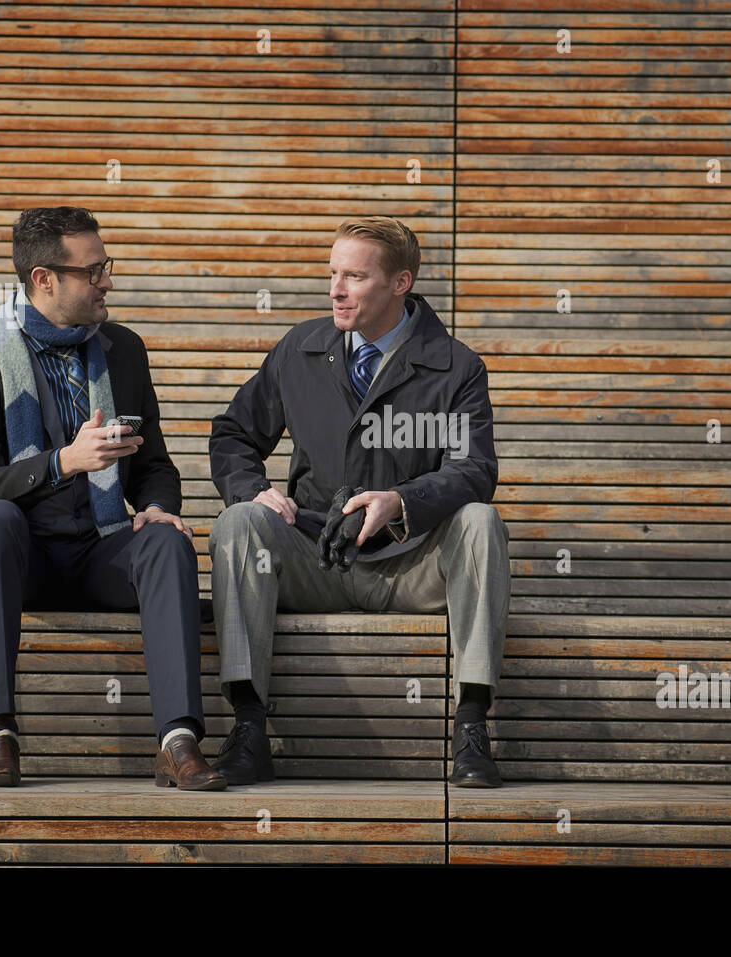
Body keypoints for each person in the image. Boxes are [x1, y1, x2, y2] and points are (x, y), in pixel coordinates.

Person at [0, 206, 225, 790]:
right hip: (19, 556)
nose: (108, 279)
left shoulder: (124, 349)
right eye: (94, 270)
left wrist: (157, 506)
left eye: (107, 266)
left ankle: (178, 740)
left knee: (165, 539)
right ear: (44, 280)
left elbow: (154, 463)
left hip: (102, 549)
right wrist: (62, 462)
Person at [207, 216, 510, 788]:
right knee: (240, 521)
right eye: (332, 274)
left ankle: (471, 725)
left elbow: (475, 470)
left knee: (479, 521)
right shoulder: (301, 348)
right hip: (313, 559)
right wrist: (254, 489)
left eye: (354, 276)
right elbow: (233, 435)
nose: (336, 290)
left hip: (409, 565)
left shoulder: (457, 366)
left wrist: (401, 500)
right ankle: (249, 727)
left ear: (400, 284)